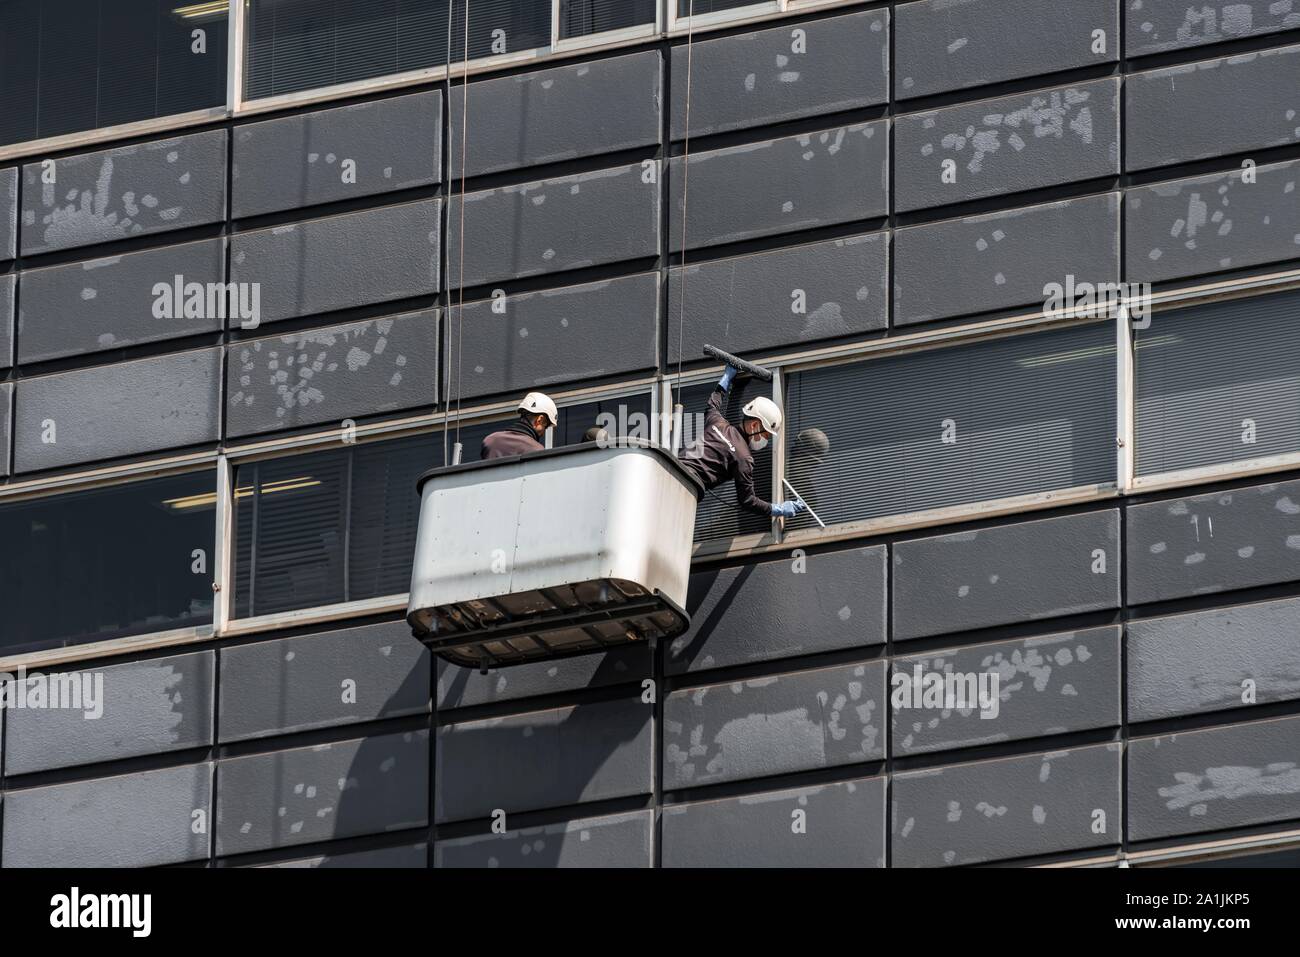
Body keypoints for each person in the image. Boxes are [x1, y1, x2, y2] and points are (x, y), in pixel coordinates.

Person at [677, 364, 807, 519]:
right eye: (766, 434)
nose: (766, 440)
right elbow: (747, 500)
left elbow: (713, 404)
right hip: (686, 489)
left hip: (673, 470)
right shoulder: (743, 458)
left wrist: (727, 378)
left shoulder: (717, 423)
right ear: (754, 425)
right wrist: (778, 509)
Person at [481, 391, 558, 460]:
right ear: (539, 420)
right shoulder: (536, 450)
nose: (543, 433)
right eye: (545, 427)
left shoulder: (491, 440)